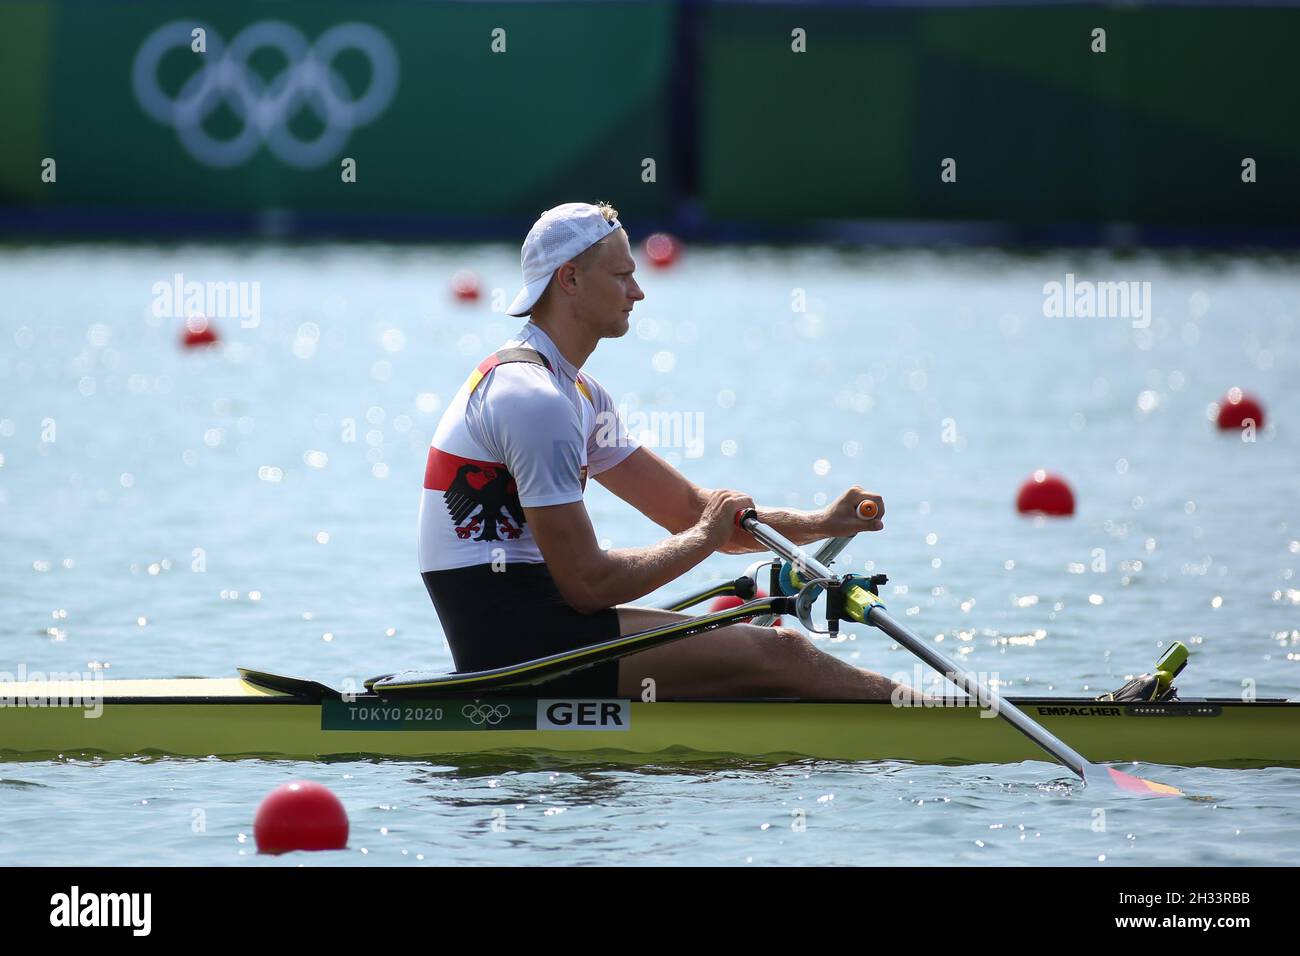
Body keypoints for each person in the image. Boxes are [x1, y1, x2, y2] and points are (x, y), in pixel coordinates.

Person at [418, 201, 920, 701]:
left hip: (551, 624)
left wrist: (822, 522)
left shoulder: (581, 396)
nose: (637, 292)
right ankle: (933, 719)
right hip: (517, 645)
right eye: (621, 276)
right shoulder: (532, 399)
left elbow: (689, 511)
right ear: (569, 279)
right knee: (784, 654)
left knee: (764, 657)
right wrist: (704, 534)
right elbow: (589, 584)